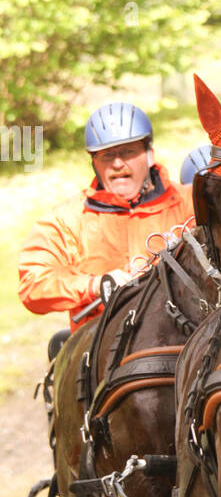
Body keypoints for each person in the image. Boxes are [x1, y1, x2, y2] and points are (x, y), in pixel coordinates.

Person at [18, 103, 193, 352]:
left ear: (149, 153)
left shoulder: (189, 204)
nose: (118, 163)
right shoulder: (68, 220)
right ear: (94, 162)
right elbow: (32, 284)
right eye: (107, 155)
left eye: (129, 152)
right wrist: (94, 285)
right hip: (102, 349)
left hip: (180, 341)